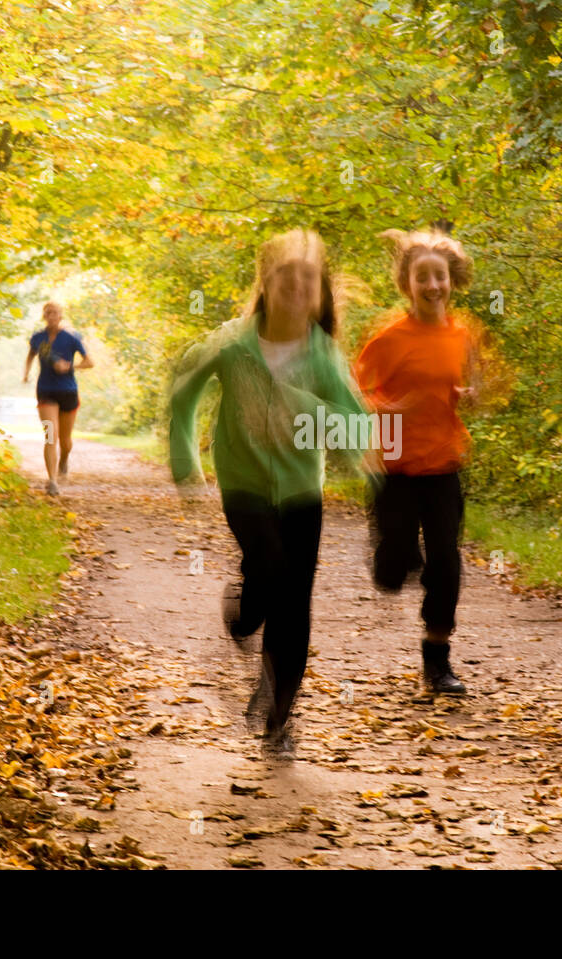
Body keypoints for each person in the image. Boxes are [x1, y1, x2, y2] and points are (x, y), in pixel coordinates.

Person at [168, 229, 371, 759]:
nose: (298, 284)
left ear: (321, 291)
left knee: (296, 604)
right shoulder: (233, 342)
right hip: (244, 484)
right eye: (287, 274)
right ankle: (243, 614)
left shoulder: (323, 355)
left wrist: (308, 407)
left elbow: (355, 426)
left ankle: (278, 716)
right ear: (266, 281)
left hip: (303, 492)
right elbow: (183, 389)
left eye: (309, 276)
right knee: (269, 573)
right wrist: (186, 461)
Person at [353, 227, 485, 695]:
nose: (433, 286)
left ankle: (437, 663)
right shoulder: (388, 339)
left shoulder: (463, 335)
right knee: (392, 573)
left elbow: (460, 387)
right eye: (422, 277)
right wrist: (388, 409)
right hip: (392, 468)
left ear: (452, 281)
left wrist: (465, 395)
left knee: (446, 566)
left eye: (440, 277)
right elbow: (350, 397)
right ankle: (393, 557)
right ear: (406, 284)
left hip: (444, 462)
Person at [23, 302, 92, 495]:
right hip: (46, 390)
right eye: (48, 313)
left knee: (65, 440)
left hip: (68, 391)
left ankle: (63, 459)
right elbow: (31, 355)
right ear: (44, 316)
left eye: (55, 313)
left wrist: (70, 367)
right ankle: (52, 481)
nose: (51, 315)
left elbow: (90, 362)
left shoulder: (71, 337)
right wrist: (26, 373)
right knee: (51, 435)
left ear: (61, 316)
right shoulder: (38, 338)